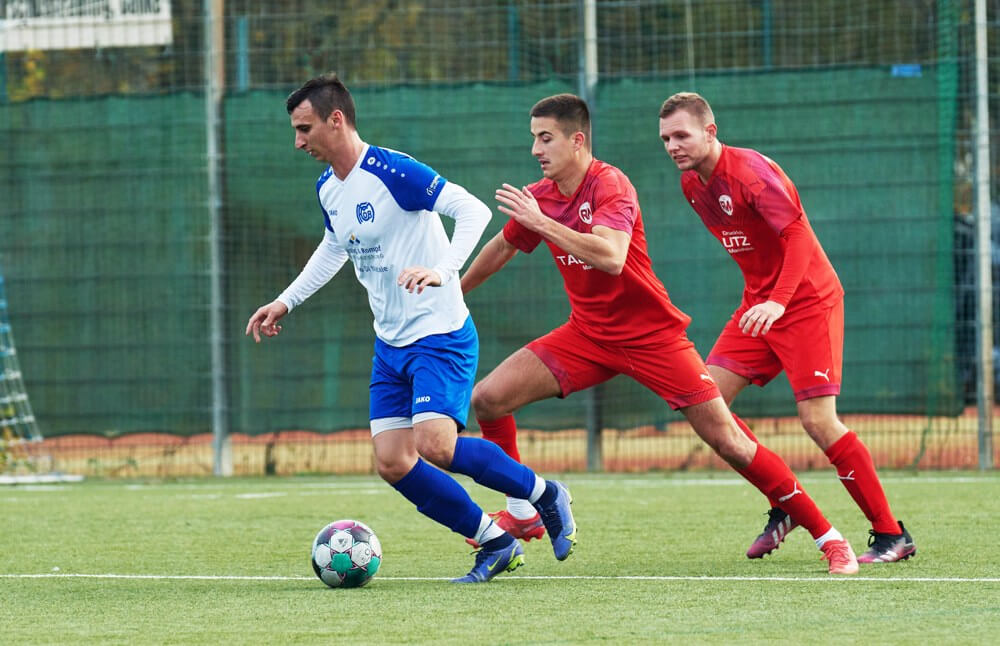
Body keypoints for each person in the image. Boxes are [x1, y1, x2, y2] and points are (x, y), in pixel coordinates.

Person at [461, 93, 858, 574]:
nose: (535, 150)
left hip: (652, 338)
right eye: (533, 139)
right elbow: (503, 247)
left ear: (577, 140)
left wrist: (540, 222)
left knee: (729, 440)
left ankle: (829, 537)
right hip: (587, 335)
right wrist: (454, 291)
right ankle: (525, 514)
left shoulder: (611, 185)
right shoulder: (540, 197)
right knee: (488, 399)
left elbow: (610, 257)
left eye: (545, 139)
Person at [245, 73, 577, 584]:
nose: (298, 141)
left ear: (336, 119)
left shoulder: (391, 170)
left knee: (436, 444)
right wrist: (286, 300)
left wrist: (445, 271)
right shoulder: (328, 187)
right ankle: (495, 541)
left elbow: (471, 209)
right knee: (393, 461)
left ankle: (543, 494)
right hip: (391, 343)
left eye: (304, 128)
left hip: (438, 333)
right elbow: (335, 246)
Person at [658, 91, 916, 564]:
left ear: (710, 132)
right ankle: (785, 502)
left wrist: (779, 301)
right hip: (760, 306)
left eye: (682, 135)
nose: (673, 145)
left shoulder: (751, 172)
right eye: (666, 138)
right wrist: (765, 301)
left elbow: (796, 235)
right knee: (706, 404)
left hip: (806, 302)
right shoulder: (692, 184)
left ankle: (890, 534)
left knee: (818, 421)